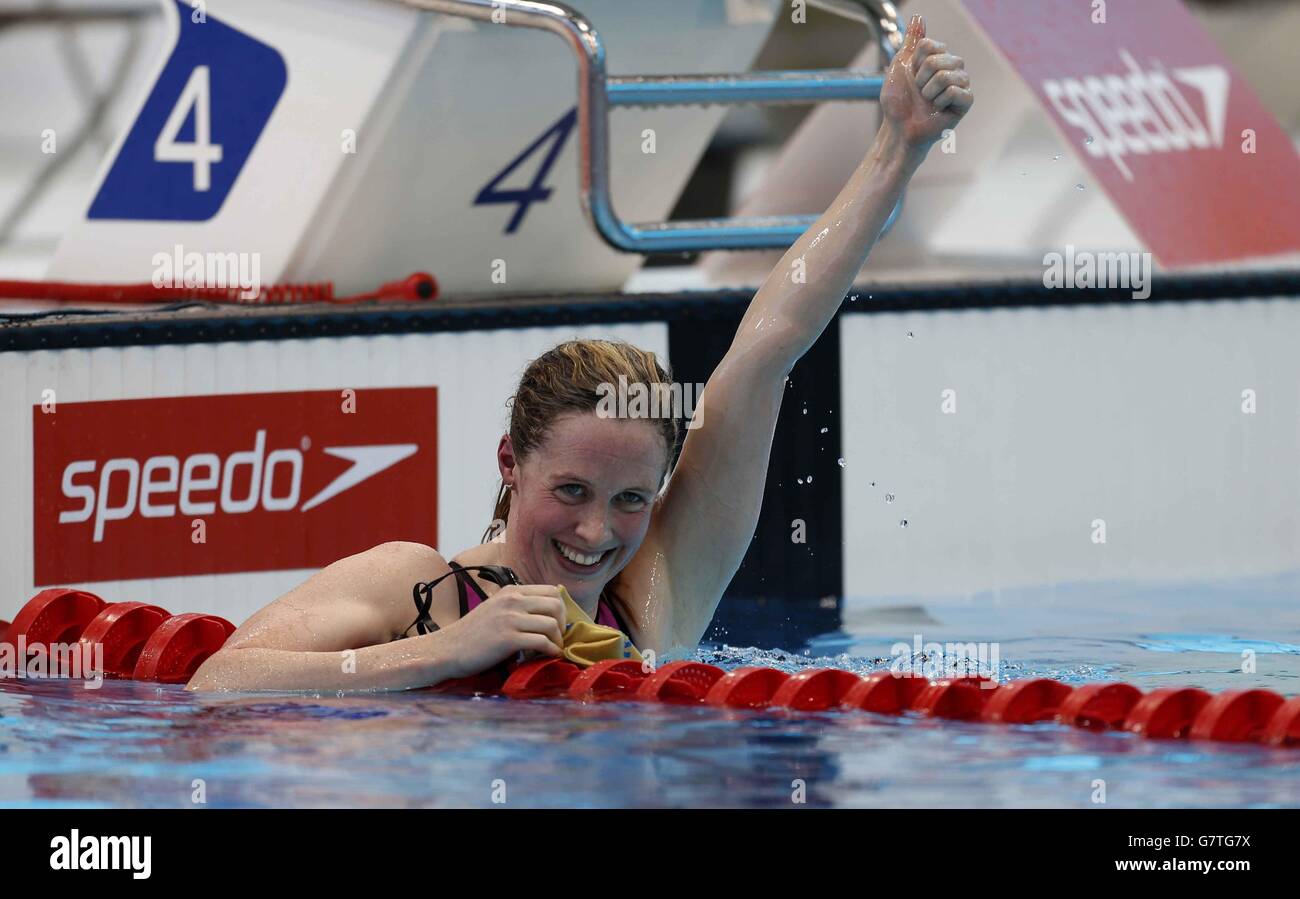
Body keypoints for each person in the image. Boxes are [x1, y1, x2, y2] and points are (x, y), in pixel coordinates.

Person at [187, 14, 972, 692]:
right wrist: (445, 650)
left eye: (632, 498)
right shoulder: (413, 584)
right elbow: (219, 681)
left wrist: (896, 151)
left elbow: (769, 346)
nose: (596, 531)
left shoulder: (657, 594)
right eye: (571, 489)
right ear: (509, 461)